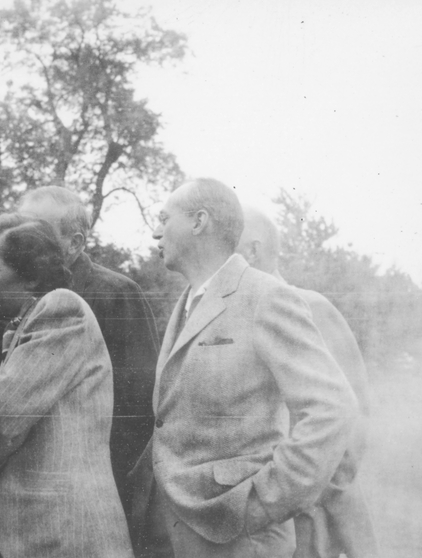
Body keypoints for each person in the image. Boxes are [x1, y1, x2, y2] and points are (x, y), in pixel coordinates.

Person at [134, 178, 358, 558]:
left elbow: (332, 408)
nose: (156, 232)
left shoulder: (266, 296)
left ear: (199, 221)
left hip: (242, 537)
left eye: (164, 218)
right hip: (183, 531)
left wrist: (267, 500)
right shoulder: (190, 301)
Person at [0, 213, 134, 558]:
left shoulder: (60, 307)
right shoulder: (26, 321)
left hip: (66, 532)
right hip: (51, 532)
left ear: (31, 276)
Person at [235, 206, 380, 558]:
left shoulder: (308, 306)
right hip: (262, 517)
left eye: (229, 246)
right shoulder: (240, 315)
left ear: (252, 251)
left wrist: (316, 500)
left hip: (309, 512)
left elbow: (351, 417)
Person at [18, 186, 159, 516]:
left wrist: (104, 477)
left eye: (37, 232)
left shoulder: (116, 294)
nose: (22, 241)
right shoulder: (18, 291)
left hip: (91, 483)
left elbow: (140, 402)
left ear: (75, 243)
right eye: (19, 228)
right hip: (30, 478)